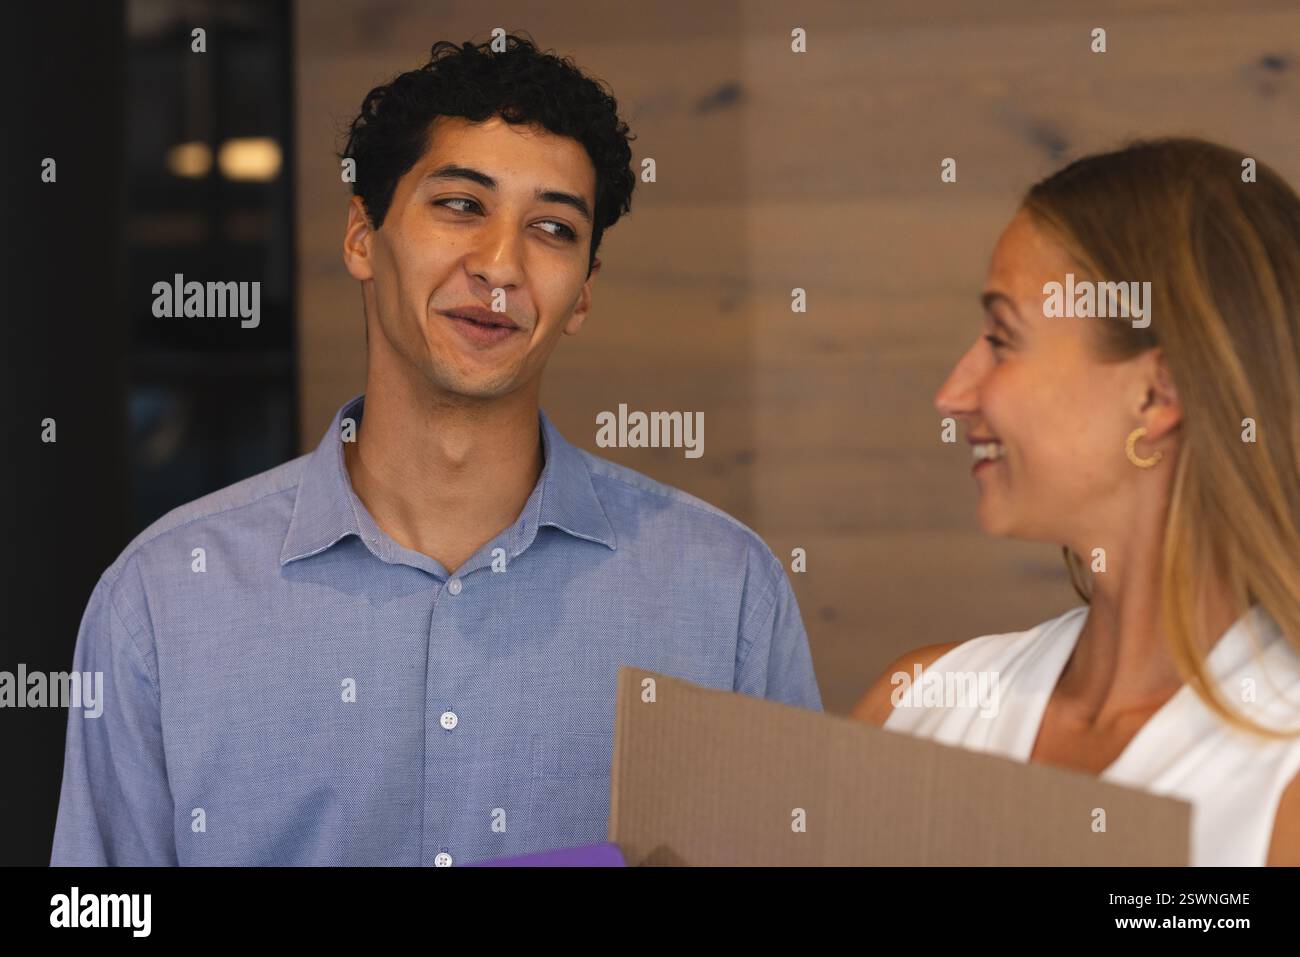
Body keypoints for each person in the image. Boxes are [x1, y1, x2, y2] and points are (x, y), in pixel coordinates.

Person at [52, 34, 820, 866]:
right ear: (359, 236)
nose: (500, 267)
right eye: (460, 205)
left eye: (553, 228)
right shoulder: (164, 600)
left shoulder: (724, 594)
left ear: (584, 292)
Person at [854, 138, 1300, 866]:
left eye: (1002, 339)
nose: (953, 394)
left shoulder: (1283, 786)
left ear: (1158, 394)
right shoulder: (913, 707)